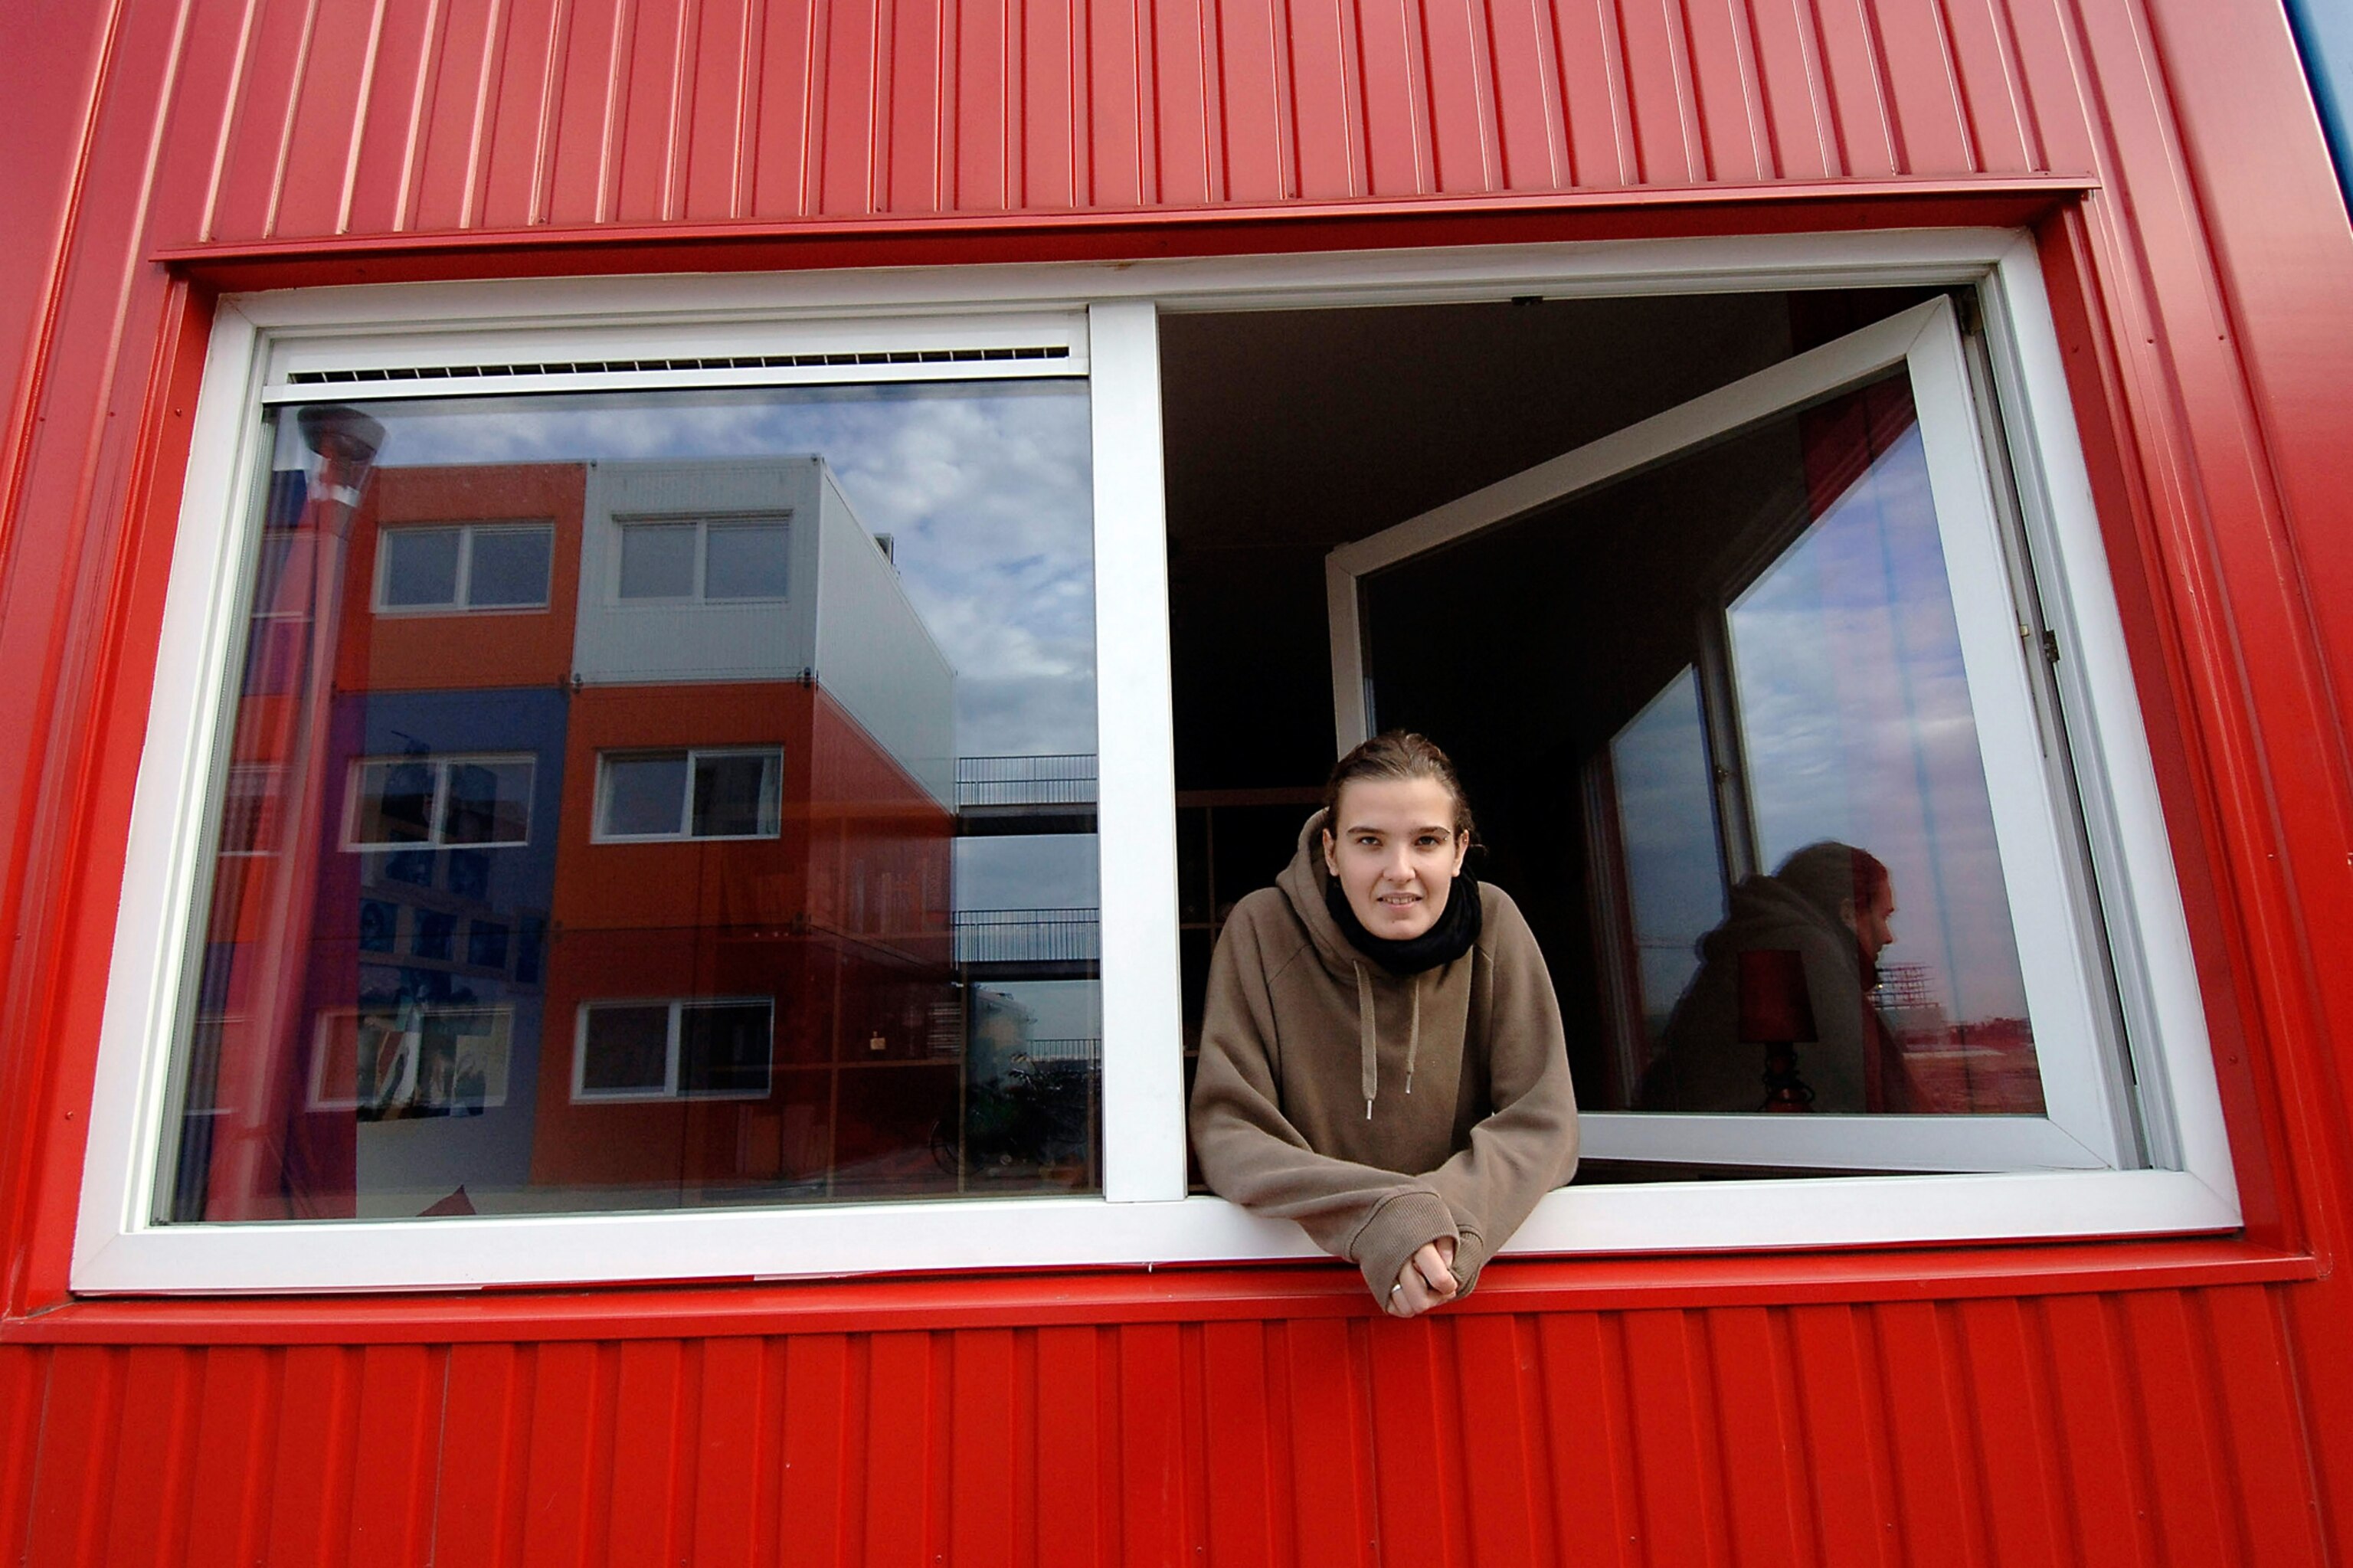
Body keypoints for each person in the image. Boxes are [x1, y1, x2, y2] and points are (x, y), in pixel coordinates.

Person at [1188, 732, 1580, 1318]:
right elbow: (1230, 1131)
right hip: (1298, 1292)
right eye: (1369, 841)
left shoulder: (1496, 923)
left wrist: (1440, 1225)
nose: (1400, 871)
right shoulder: (1260, 928)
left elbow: (1545, 1122)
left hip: (1454, 1282)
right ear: (1331, 850)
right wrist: (1378, 1214)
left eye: (1426, 841)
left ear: (1459, 850)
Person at [1638, 841, 1920, 1114]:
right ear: (1847, 913)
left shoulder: (1770, 948)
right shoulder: (1798, 951)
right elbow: (1887, 1096)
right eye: (1884, 917)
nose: (1888, 936)